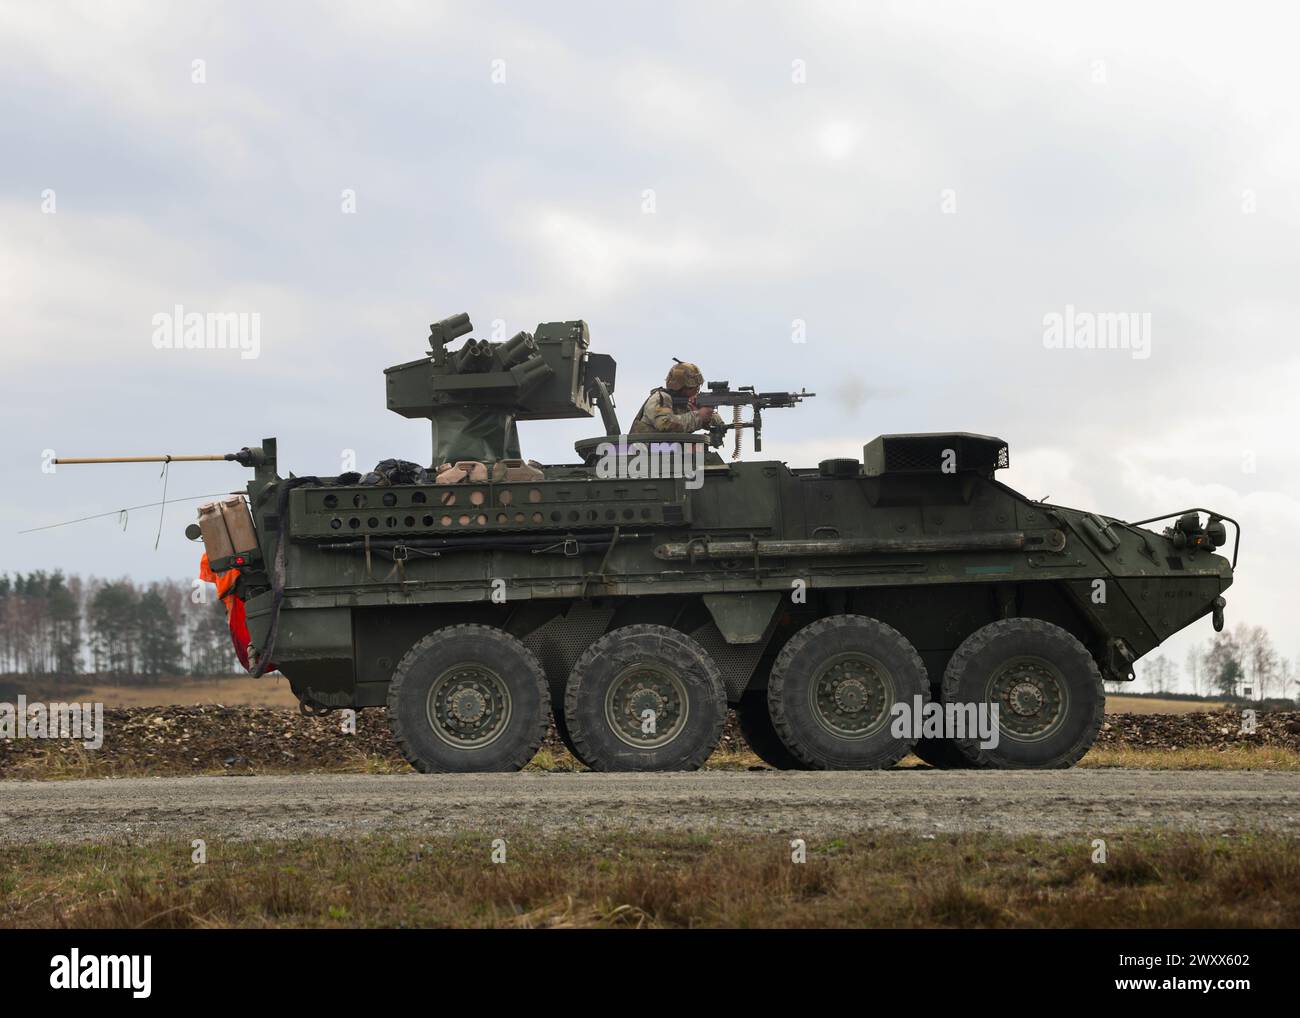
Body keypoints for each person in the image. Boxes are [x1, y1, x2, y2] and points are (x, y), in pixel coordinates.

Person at [631, 362, 724, 434]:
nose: (697, 391)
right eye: (692, 388)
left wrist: (711, 417)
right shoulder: (660, 398)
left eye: (698, 387)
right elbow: (665, 424)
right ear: (680, 387)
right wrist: (699, 416)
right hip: (645, 454)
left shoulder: (683, 404)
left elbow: (694, 418)